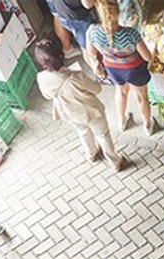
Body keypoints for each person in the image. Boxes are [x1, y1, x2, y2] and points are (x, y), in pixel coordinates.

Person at [33, 39, 129, 171]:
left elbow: (47, 96)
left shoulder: (41, 78)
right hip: (92, 112)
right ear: (60, 55)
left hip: (70, 113)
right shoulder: (76, 76)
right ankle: (115, 162)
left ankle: (92, 154)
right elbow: (97, 89)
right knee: (102, 135)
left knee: (83, 132)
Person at [84, 0, 155, 135]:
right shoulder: (131, 33)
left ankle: (122, 122)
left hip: (113, 69)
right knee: (141, 97)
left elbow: (91, 54)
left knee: (121, 92)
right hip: (134, 69)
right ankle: (147, 125)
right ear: (118, 13)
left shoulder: (92, 31)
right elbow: (147, 57)